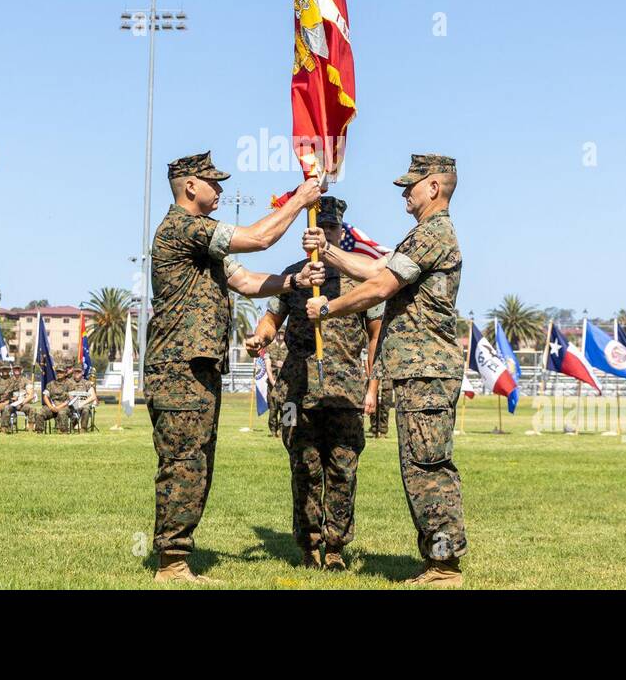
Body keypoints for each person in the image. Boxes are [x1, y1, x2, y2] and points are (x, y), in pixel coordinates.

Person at [145, 150, 323, 583]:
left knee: (198, 461)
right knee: (184, 461)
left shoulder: (202, 242)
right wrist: (299, 200)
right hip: (178, 368)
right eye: (213, 182)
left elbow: (244, 282)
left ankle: (178, 557)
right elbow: (259, 238)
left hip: (198, 366)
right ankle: (171, 563)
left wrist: (294, 281)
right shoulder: (183, 227)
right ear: (190, 186)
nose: (220, 189)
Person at [302, 154, 466, 587]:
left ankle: (444, 566)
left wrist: (328, 307)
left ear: (434, 187)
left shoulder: (434, 233)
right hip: (418, 371)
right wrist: (329, 250)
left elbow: (380, 286)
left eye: (410, 185)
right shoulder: (423, 234)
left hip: (426, 370)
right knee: (419, 464)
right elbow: (375, 267)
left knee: (427, 466)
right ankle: (437, 560)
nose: (404, 193)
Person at [246, 196, 382, 570]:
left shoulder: (360, 280)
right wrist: (261, 337)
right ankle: (307, 545)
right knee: (304, 469)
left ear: (341, 230)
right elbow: (271, 320)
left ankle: (336, 548)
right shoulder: (293, 275)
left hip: (345, 392)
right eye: (315, 226)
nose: (323, 233)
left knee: (343, 470)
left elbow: (375, 335)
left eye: (330, 227)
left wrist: (372, 387)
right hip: (297, 391)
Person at [32, 360, 80, 433]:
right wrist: (51, 407)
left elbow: (70, 399)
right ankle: (39, 431)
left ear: (65, 373)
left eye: (61, 372)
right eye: (58, 372)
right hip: (52, 406)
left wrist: (58, 407)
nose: (59, 374)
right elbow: (45, 396)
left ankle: (63, 431)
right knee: (40, 413)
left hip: (65, 407)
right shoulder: (51, 384)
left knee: (62, 413)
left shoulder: (70, 384)